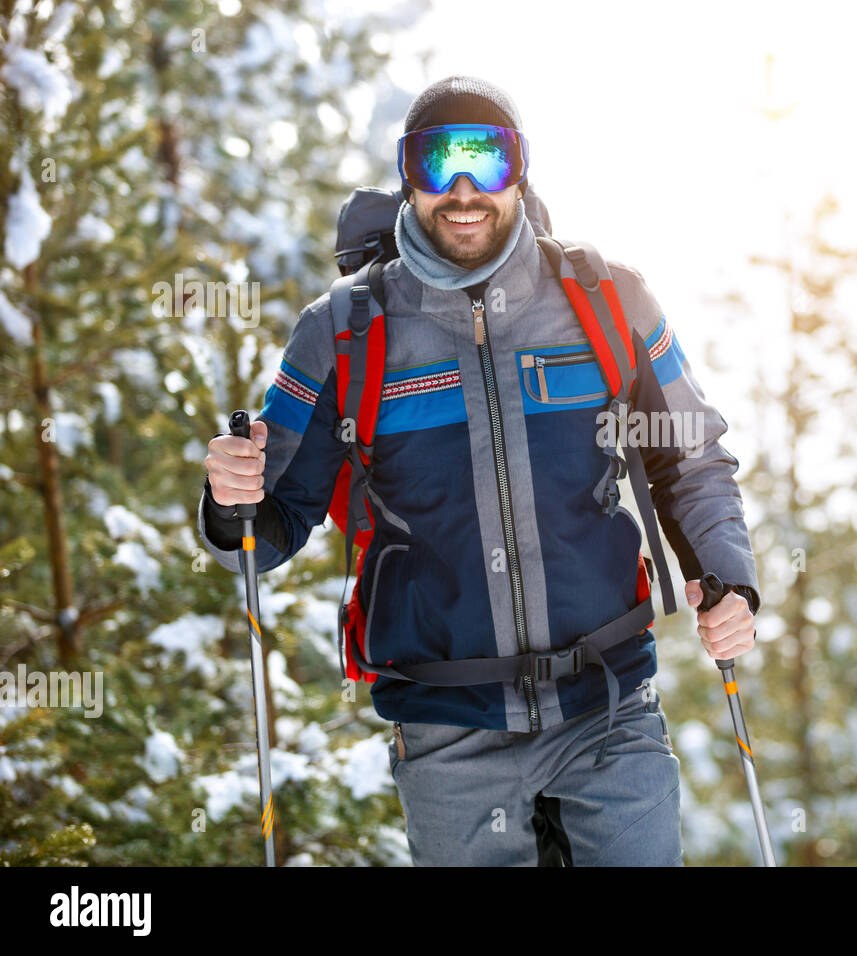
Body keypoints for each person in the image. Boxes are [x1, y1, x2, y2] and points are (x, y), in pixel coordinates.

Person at [198, 75, 761, 866]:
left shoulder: (610, 301)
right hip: (447, 729)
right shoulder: (342, 332)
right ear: (408, 176)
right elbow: (263, 529)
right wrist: (232, 500)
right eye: (438, 163)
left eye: (488, 162)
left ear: (520, 170)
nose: (464, 190)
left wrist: (728, 580)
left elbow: (690, 457)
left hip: (609, 707)